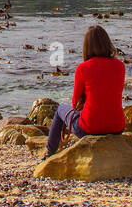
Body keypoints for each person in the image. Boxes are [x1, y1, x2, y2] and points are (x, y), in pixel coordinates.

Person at [45, 25, 126, 157]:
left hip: (89, 128)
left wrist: (84, 102)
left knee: (60, 109)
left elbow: (74, 103)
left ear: (87, 46)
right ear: (108, 43)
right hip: (117, 126)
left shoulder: (83, 68)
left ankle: (49, 152)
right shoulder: (120, 66)